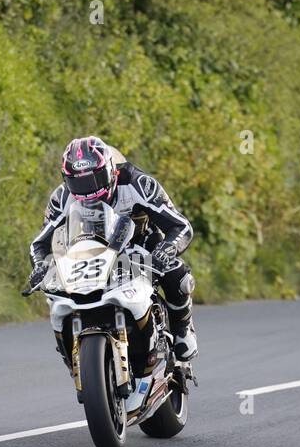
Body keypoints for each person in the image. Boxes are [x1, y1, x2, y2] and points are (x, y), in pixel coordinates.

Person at [26, 136, 198, 360]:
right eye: (78, 182)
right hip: (86, 252)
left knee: (177, 274)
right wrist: (41, 265)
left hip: (140, 243)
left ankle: (182, 328)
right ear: (66, 179)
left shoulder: (137, 183)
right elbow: (39, 243)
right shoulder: (62, 197)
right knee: (57, 294)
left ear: (111, 170)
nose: (88, 189)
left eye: (95, 179)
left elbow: (181, 225)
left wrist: (166, 249)